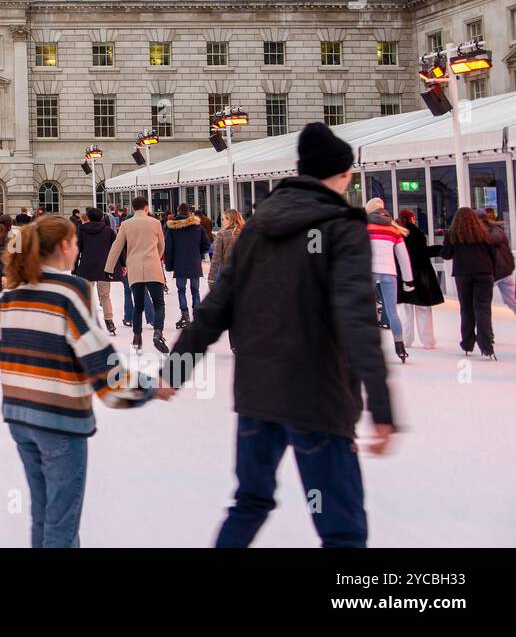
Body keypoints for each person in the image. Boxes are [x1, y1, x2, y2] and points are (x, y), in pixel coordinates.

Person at [164, 122, 395, 548]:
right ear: (342, 175)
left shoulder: (257, 227)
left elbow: (216, 306)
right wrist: (382, 407)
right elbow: (357, 319)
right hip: (318, 400)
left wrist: (174, 371)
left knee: (250, 503)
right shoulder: (342, 227)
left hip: (258, 397)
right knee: (341, 527)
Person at [0, 215, 167, 547]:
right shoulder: (70, 291)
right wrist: (148, 388)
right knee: (61, 523)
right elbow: (102, 365)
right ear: (64, 247)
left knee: (43, 514)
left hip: (21, 420)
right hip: (60, 422)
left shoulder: (13, 293)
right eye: (75, 242)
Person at [104, 195, 168, 353]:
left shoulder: (126, 224)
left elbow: (116, 247)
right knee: (159, 303)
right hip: (153, 267)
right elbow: (161, 246)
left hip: (135, 269)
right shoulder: (155, 223)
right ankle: (158, 333)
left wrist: (109, 268)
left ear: (133, 208)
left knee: (138, 305)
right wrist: (155, 257)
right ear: (146, 207)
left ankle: (137, 337)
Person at [440, 207, 502, 359]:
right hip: (484, 273)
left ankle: (467, 343)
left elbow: (446, 255)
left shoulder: (453, 234)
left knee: (466, 309)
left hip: (463, 274)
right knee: (483, 309)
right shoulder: (484, 233)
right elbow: (493, 255)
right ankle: (487, 346)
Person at [365, 197, 413, 363]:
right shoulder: (393, 229)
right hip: (389, 271)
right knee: (392, 312)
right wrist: (409, 279)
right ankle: (400, 347)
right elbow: (403, 256)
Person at [395, 209, 443, 349]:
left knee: (405, 309)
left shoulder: (396, 232)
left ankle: (406, 339)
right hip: (420, 275)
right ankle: (428, 341)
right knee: (423, 310)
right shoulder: (416, 233)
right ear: (412, 219)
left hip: (403, 275)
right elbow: (422, 252)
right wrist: (440, 249)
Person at [164, 203, 211, 329]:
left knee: (181, 290)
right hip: (194, 263)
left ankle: (185, 315)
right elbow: (207, 245)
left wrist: (169, 265)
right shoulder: (197, 227)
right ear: (189, 212)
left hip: (179, 263)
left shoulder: (172, 229)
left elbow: (168, 248)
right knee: (195, 290)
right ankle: (197, 316)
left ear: (178, 212)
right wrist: (198, 253)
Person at [74, 207, 117, 335]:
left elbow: (77, 250)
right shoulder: (108, 232)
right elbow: (115, 249)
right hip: (104, 267)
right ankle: (109, 320)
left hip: (87, 266)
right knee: (105, 296)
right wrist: (121, 265)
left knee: (85, 295)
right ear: (101, 217)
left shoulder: (82, 231)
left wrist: (74, 267)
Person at [483, 210, 516, 316]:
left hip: (493, 273)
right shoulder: (499, 230)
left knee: (480, 302)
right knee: (512, 301)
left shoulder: (481, 234)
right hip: (506, 271)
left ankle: (482, 329)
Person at [209, 209, 244, 287]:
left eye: (223, 219)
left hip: (226, 273)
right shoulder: (246, 232)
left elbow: (216, 258)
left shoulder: (222, 234)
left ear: (229, 220)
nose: (222, 222)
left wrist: (211, 278)